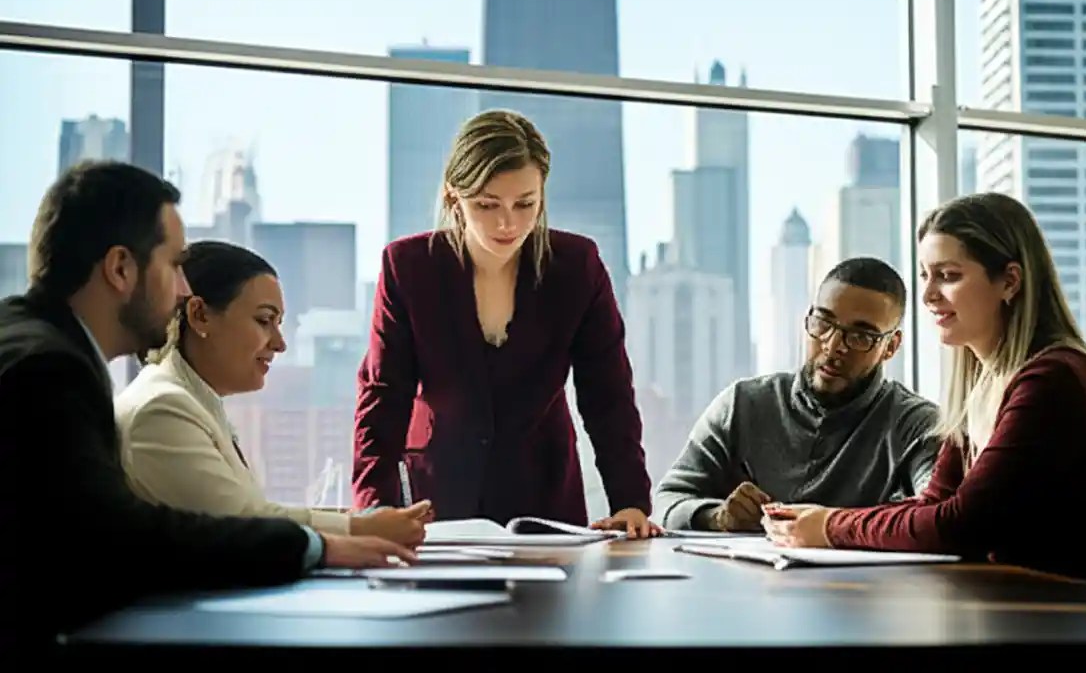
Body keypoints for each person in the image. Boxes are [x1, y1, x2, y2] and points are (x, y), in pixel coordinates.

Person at [0, 161, 416, 647]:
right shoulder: (49, 372)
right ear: (120, 269)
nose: (182, 288)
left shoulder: (39, 346)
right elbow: (118, 538)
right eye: (174, 264)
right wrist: (318, 546)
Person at [762, 193, 1086, 599]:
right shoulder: (984, 383)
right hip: (1060, 613)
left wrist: (832, 525)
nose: (929, 295)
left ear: (1009, 281)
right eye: (925, 276)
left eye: (948, 276)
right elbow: (936, 504)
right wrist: (824, 520)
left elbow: (960, 525)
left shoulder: (1053, 380)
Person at [353, 110, 657, 537]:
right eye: (486, 205)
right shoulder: (408, 267)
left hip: (545, 497)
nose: (507, 223)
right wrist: (374, 511)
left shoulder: (576, 267)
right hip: (436, 499)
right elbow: (383, 397)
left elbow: (608, 395)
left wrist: (629, 501)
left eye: (525, 204)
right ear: (452, 197)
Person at [115, 240, 433, 547]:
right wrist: (358, 527)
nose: (280, 343)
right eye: (264, 320)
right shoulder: (161, 408)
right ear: (200, 315)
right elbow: (243, 522)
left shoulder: (191, 401)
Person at [654, 258, 939, 532]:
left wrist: (833, 526)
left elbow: (939, 515)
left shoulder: (916, 425)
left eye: (860, 336)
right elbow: (667, 501)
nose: (833, 346)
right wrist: (718, 517)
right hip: (750, 581)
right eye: (823, 323)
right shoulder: (743, 404)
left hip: (862, 583)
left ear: (891, 346)